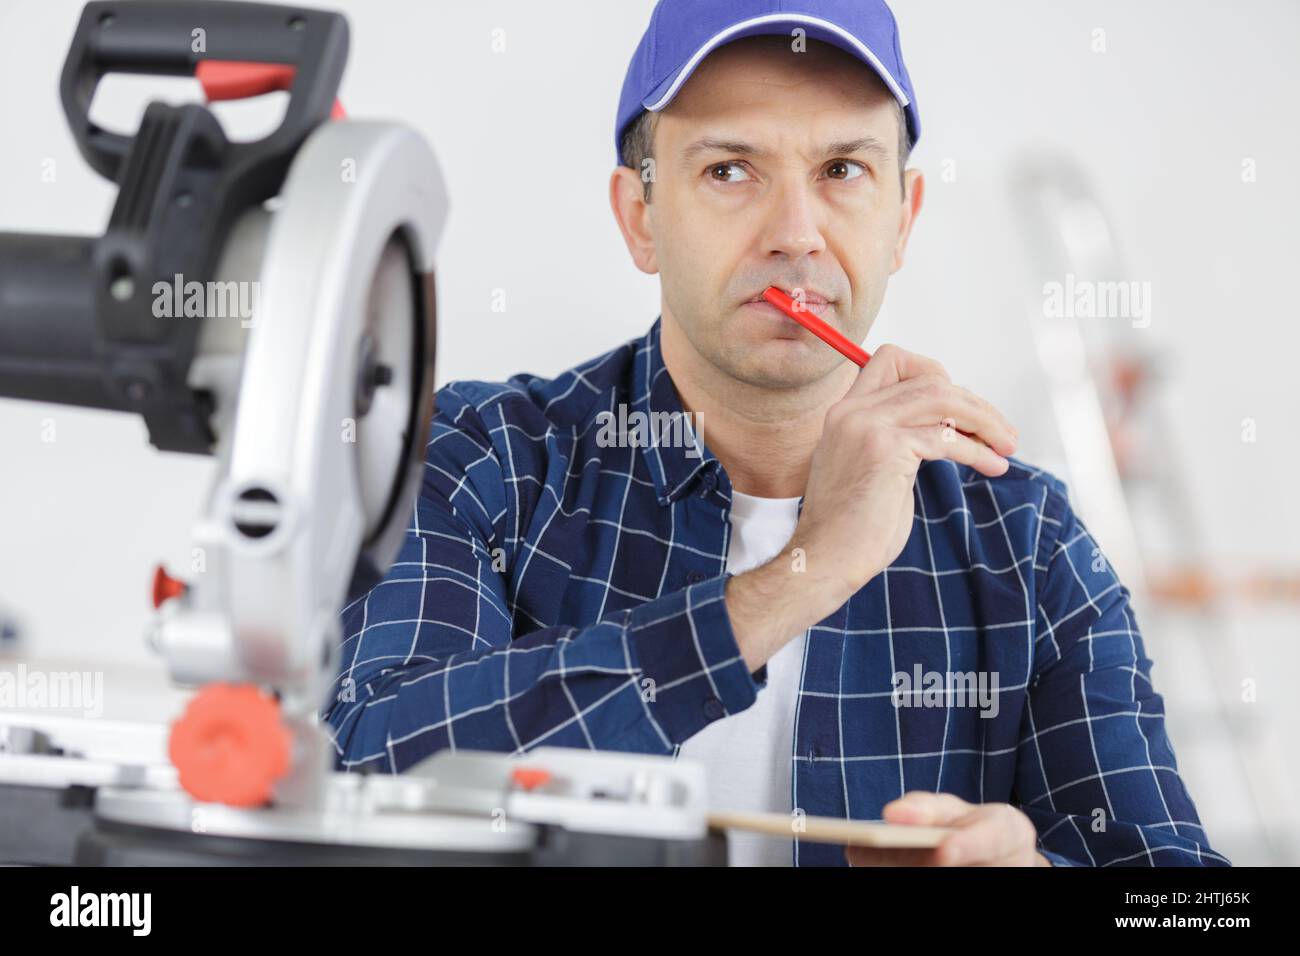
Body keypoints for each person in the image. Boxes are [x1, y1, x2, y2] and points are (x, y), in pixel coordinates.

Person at [323, 0, 1228, 868]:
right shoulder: (476, 457)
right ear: (640, 218)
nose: (797, 235)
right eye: (730, 169)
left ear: (902, 219)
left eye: (843, 171)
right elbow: (367, 769)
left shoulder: (1027, 538)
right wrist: (813, 566)